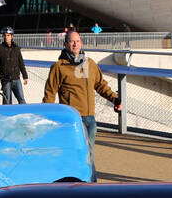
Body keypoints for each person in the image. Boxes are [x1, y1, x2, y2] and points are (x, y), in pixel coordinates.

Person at [44, 29, 120, 160]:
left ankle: (88, 181)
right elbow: (50, 93)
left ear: (81, 43)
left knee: (89, 155)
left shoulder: (89, 64)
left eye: (77, 41)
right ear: (65, 44)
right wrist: (47, 118)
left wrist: (115, 99)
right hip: (72, 119)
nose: (75, 44)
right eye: (72, 41)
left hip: (90, 119)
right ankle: (82, 180)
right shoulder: (59, 67)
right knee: (76, 155)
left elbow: (100, 85)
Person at [0, 27, 29, 104]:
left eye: (8, 35)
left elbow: (21, 63)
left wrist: (25, 76)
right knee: (7, 101)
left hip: (16, 78)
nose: (6, 37)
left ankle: (24, 114)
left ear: (12, 36)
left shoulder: (16, 48)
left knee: (21, 99)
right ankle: (6, 116)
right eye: (5, 35)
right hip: (5, 79)